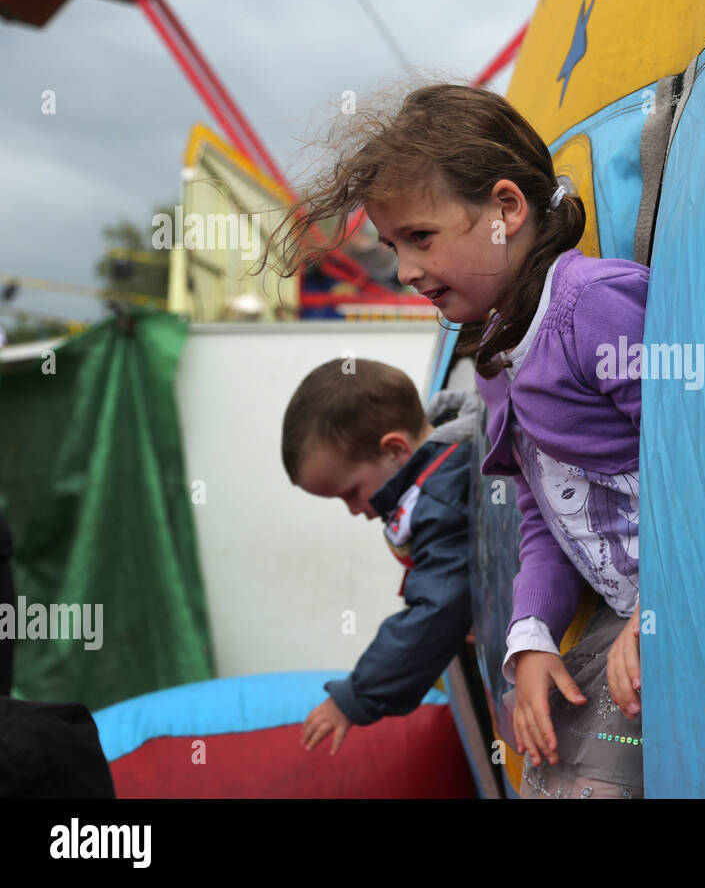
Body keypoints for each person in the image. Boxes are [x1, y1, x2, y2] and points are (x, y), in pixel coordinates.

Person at [260, 83, 648, 799]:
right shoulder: (498, 359)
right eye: (392, 245)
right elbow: (548, 519)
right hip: (629, 614)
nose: (404, 269)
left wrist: (665, 607)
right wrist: (530, 639)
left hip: (674, 597)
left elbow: (704, 467)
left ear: (506, 209)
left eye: (421, 237)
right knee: (546, 768)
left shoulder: (593, 307)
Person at [281, 357, 480, 755]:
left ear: (395, 449)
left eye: (351, 492)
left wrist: (356, 696)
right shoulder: (436, 475)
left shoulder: (439, 496)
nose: (355, 510)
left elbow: (437, 609)